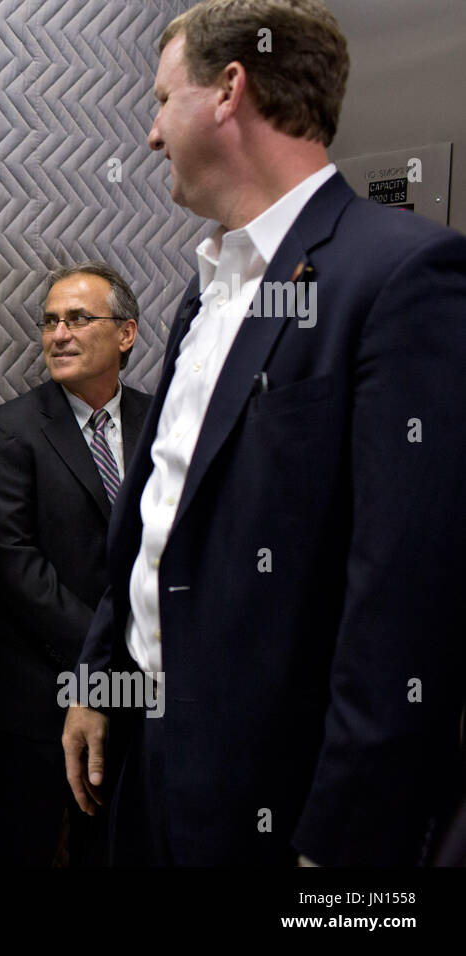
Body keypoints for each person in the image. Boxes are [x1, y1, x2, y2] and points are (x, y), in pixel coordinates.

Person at [62, 0, 466, 865]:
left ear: (228, 92)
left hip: (277, 794)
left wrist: (344, 844)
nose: (150, 135)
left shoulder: (398, 276)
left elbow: (408, 596)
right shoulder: (205, 286)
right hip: (150, 756)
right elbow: (159, 519)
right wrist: (101, 679)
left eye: (162, 100)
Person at [0, 261, 150, 866]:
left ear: (125, 333)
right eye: (49, 322)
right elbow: (19, 571)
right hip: (36, 701)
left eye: (77, 318)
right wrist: (105, 660)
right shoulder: (7, 432)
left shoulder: (166, 425)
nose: (59, 334)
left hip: (142, 699)